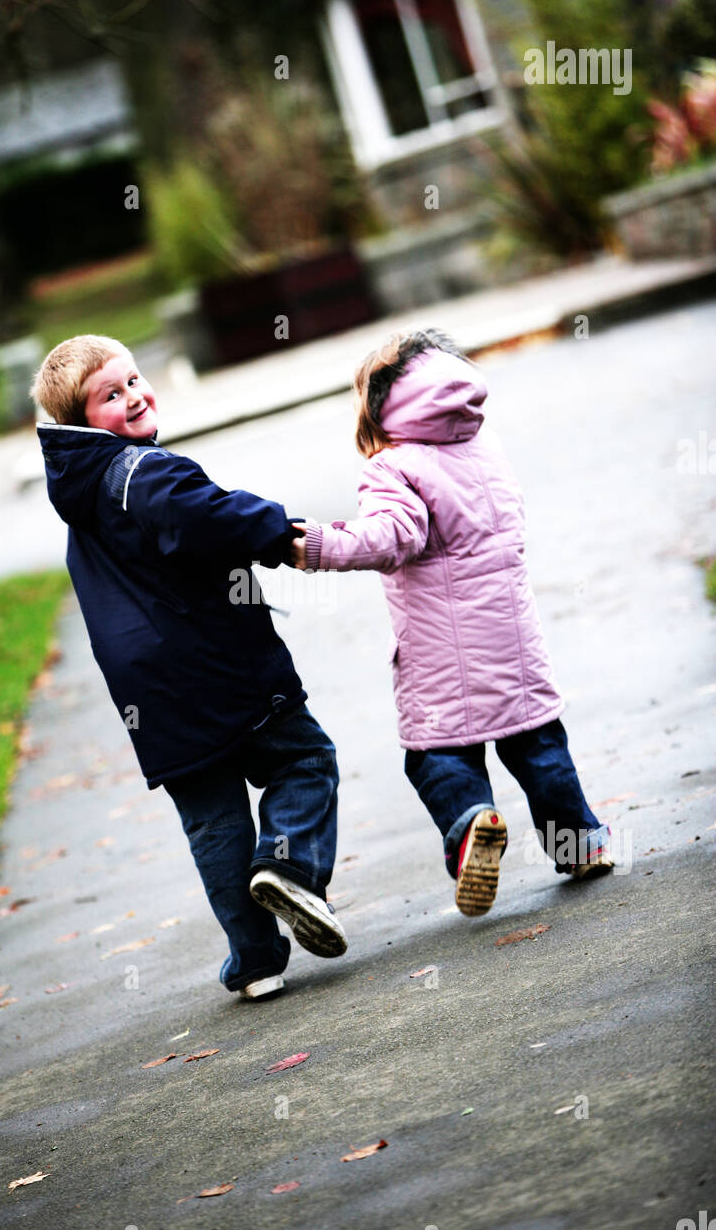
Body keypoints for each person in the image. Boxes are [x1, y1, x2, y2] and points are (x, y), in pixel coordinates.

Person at [32, 334, 346, 1000]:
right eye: (110, 395)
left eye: (135, 379)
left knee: (213, 818)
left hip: (154, 694)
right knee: (304, 761)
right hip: (221, 666)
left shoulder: (83, 497)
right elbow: (210, 515)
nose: (134, 396)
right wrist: (279, 531)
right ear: (83, 420)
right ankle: (289, 868)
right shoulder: (143, 473)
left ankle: (256, 961)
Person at [291, 328, 613, 917]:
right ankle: (581, 843)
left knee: (437, 755)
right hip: (515, 641)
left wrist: (314, 545)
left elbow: (392, 535)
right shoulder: (484, 448)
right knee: (539, 745)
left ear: (379, 408)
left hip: (443, 655)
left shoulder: (394, 467)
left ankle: (470, 827)